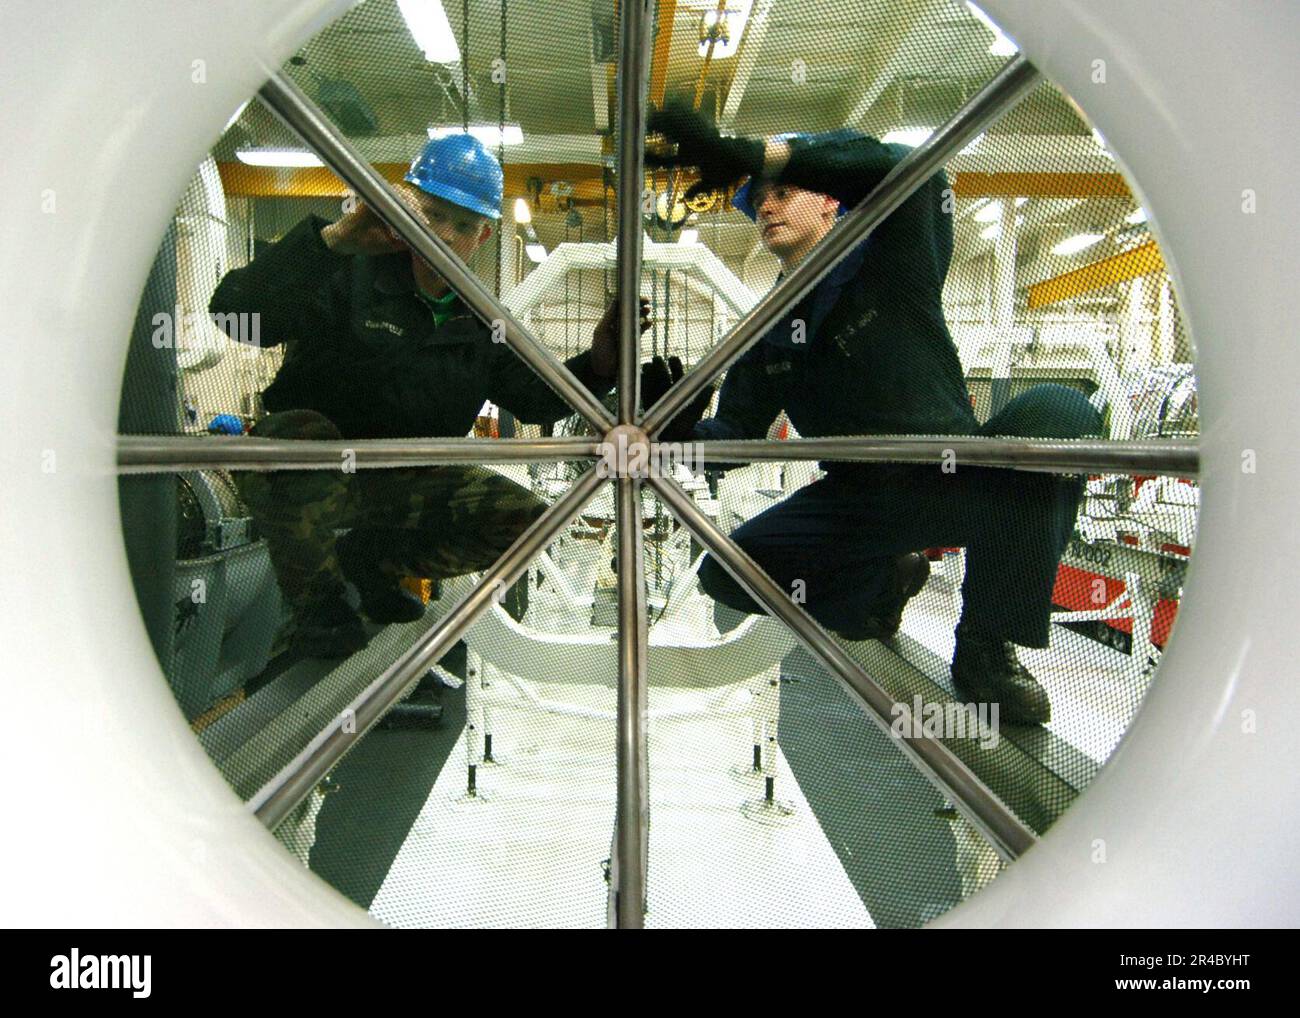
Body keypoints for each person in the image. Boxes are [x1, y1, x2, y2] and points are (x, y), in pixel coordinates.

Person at [646, 107, 1101, 724]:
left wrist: (765, 153)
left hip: (959, 476)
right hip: (860, 503)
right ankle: (883, 587)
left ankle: (986, 646)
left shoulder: (892, 258)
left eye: (784, 193)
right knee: (728, 574)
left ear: (833, 202)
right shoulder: (770, 328)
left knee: (1062, 411)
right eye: (759, 202)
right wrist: (675, 436)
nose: (768, 208)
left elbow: (914, 173)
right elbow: (736, 436)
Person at [210, 134, 647, 657]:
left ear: (482, 236)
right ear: (404, 210)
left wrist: (601, 362)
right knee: (286, 436)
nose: (443, 235)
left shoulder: (480, 321)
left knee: (529, 521)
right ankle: (318, 606)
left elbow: (536, 399)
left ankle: (372, 561)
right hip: (311, 474)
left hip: (404, 484)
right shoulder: (343, 276)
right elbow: (236, 315)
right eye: (433, 214)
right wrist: (334, 240)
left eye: (462, 225)